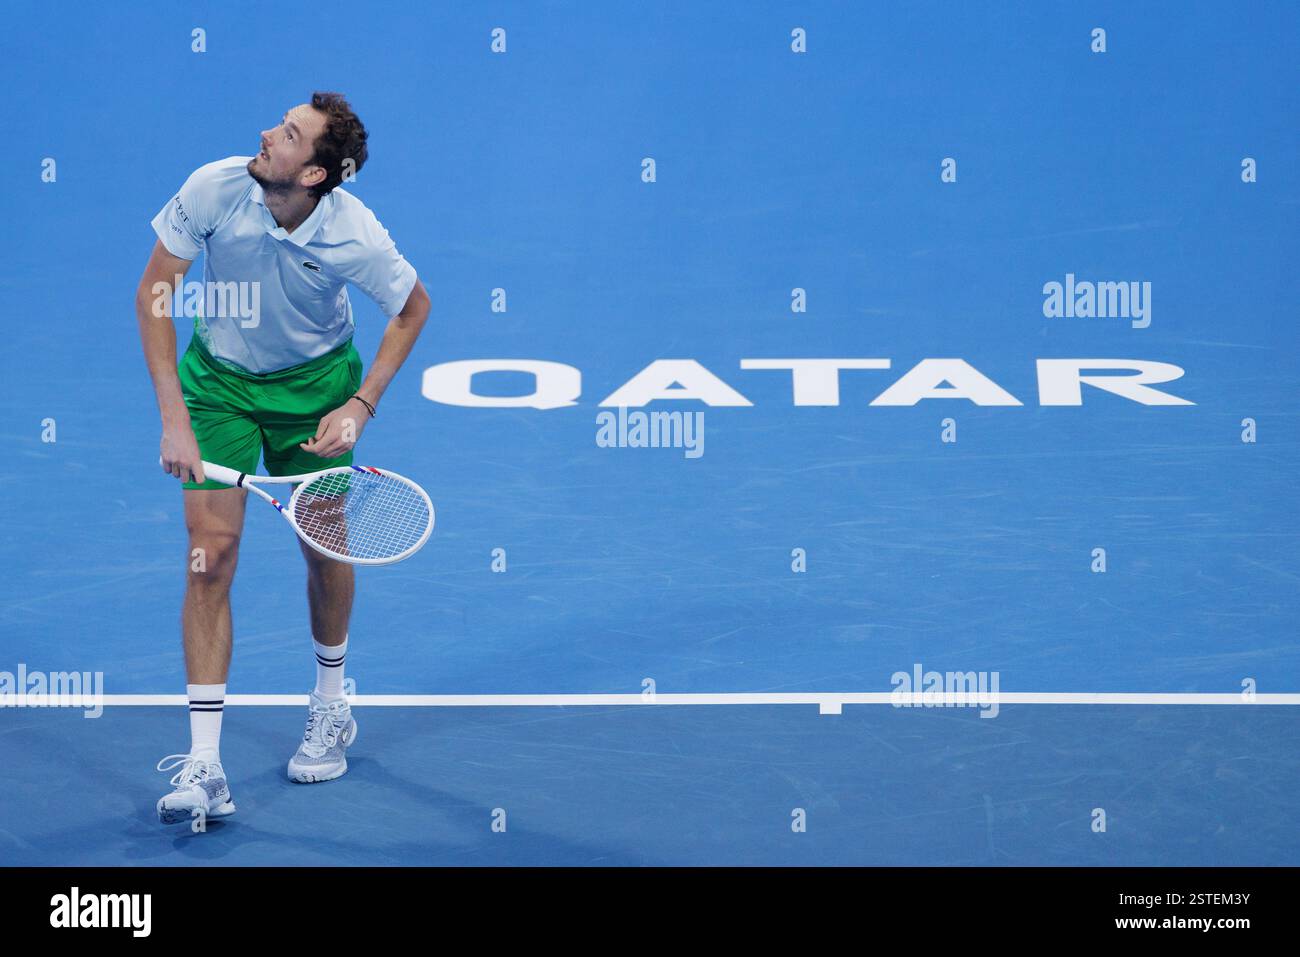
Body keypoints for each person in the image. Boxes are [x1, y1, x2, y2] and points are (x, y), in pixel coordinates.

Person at [136, 92, 430, 825]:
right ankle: (205, 765)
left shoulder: (354, 235)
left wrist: (359, 404)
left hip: (314, 392)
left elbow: (413, 306)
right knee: (210, 552)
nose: (267, 133)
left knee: (323, 544)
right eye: (280, 122)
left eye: (290, 135)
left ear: (315, 176)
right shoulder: (214, 187)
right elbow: (155, 293)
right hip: (219, 389)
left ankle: (331, 703)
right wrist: (175, 418)